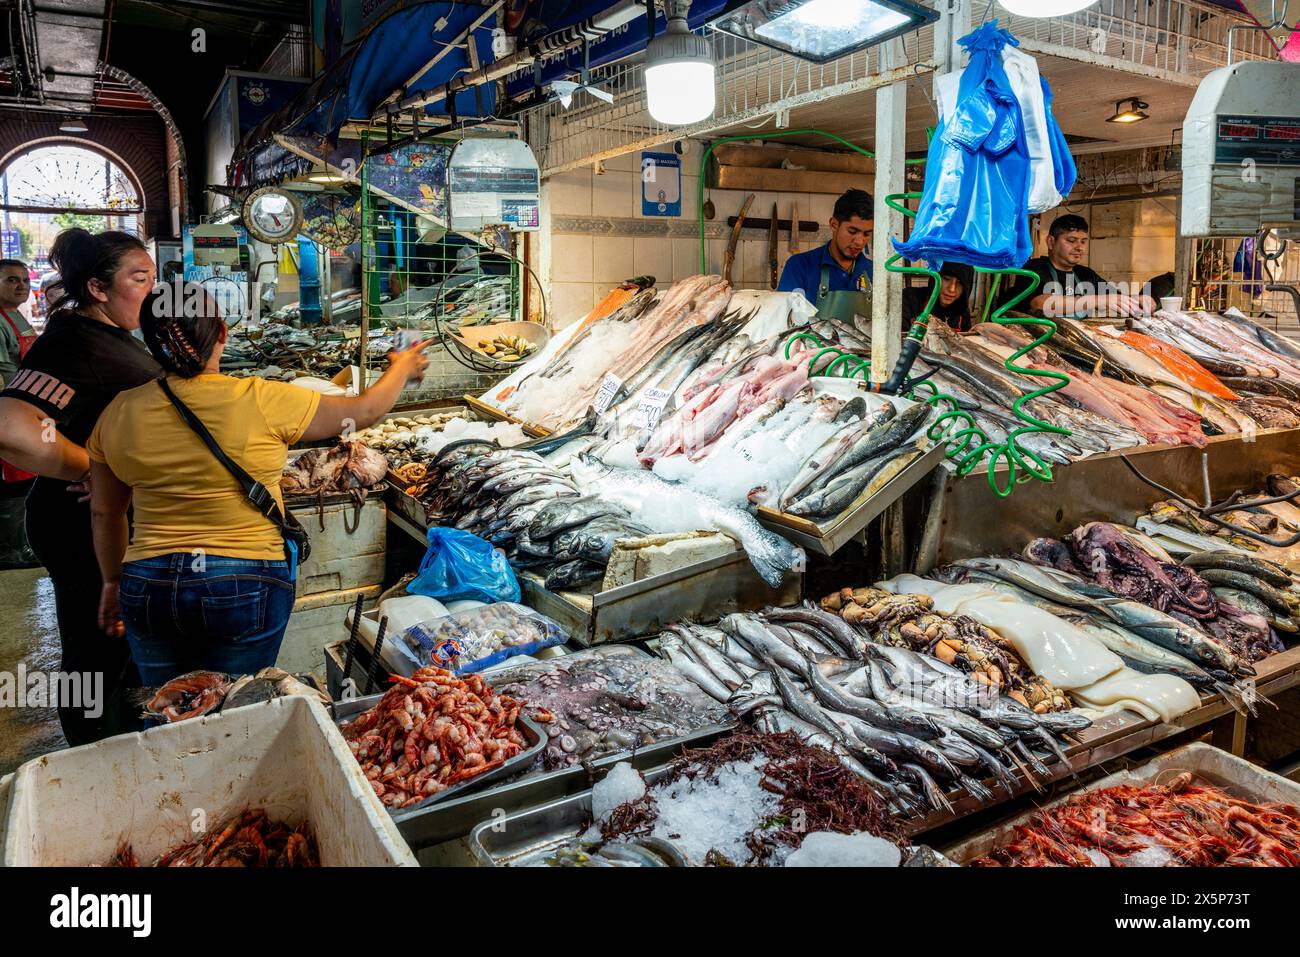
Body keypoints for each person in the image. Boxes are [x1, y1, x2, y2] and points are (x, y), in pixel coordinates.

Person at [87, 282, 433, 685]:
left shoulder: (119, 411)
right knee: (237, 708)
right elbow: (366, 411)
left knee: (166, 707)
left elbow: (105, 510)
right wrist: (402, 366)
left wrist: (112, 581)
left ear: (148, 341)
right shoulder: (260, 398)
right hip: (243, 579)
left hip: (149, 581)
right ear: (221, 332)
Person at [0, 229, 162, 745]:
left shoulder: (106, 335)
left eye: (153, 278)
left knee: (110, 641)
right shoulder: (72, 342)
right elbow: (13, 426)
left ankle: (114, 739)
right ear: (96, 287)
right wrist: (92, 467)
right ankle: (92, 750)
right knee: (95, 644)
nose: (151, 290)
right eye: (139, 279)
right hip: (79, 526)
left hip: (102, 523)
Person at [1000, 214, 1157, 319]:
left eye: (1083, 241)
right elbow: (1041, 303)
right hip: (1033, 343)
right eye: (1071, 240)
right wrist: (1100, 300)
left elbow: (1114, 297)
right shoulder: (1033, 269)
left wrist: (1137, 299)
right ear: (1051, 242)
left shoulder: (1085, 274)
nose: (1079, 247)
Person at [777, 188, 874, 303]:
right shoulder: (799, 266)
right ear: (834, 225)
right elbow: (786, 317)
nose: (860, 241)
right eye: (852, 231)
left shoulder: (873, 272)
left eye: (867, 234)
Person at [902, 261, 975, 333]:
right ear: (934, 278)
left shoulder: (962, 311)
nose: (952, 289)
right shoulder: (909, 299)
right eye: (946, 279)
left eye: (960, 282)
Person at [0, 259, 36, 385]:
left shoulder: (15, 313)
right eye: (12, 280)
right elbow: (4, 375)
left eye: (26, 280)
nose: (22, 285)